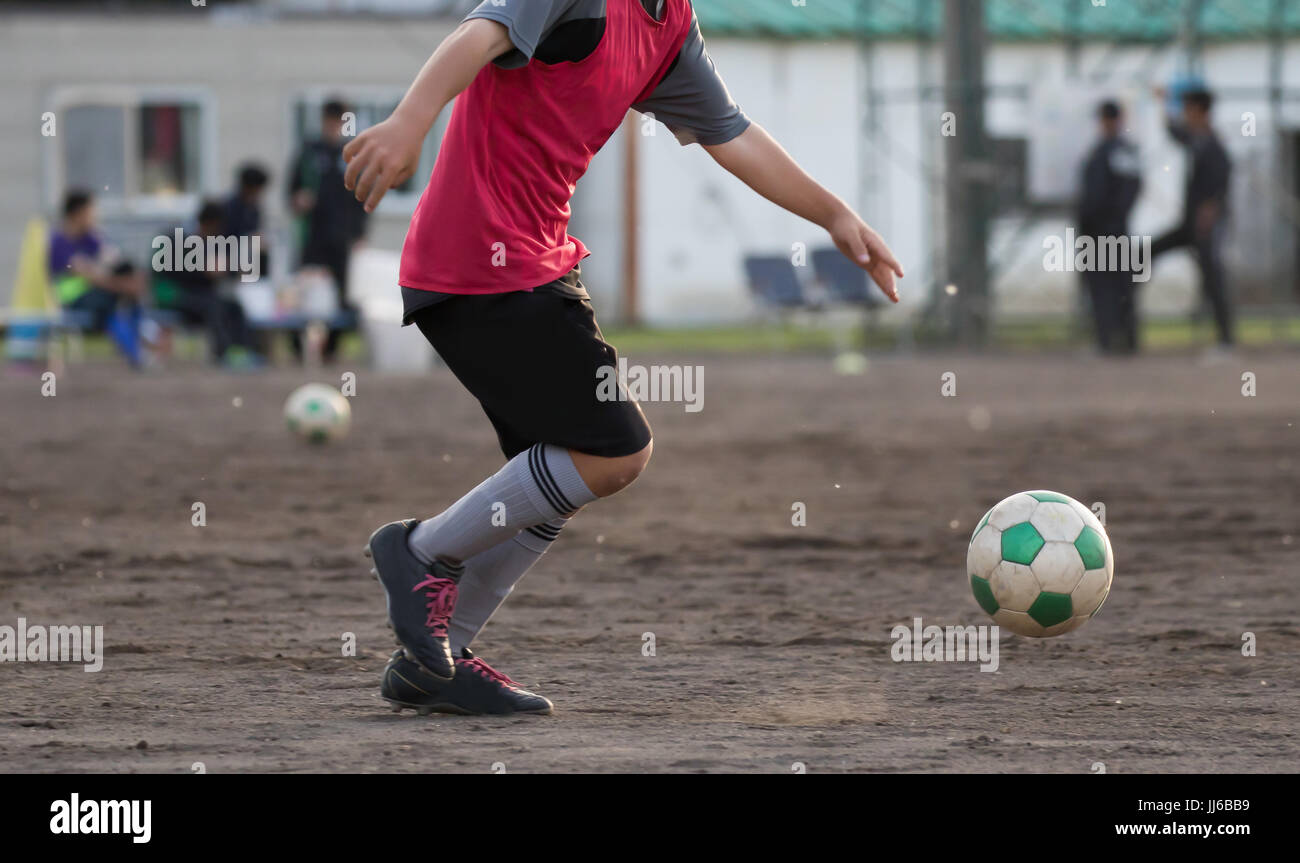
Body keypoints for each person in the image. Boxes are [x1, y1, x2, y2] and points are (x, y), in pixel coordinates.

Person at [346, 0, 903, 715]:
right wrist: (408, 122)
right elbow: (479, 33)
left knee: (565, 470)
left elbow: (730, 134)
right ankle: (419, 551)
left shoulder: (669, 24)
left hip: (535, 265)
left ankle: (437, 656)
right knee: (616, 450)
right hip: (477, 260)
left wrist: (835, 216)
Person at [1152, 87, 1234, 348]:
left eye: (1187, 109)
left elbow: (1222, 180)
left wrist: (1210, 210)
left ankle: (1226, 340)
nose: (1184, 114)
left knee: (1213, 277)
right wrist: (1163, 103)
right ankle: (1122, 327)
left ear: (1199, 110)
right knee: (1145, 254)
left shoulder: (1213, 144)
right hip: (1189, 224)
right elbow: (1173, 131)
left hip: (1206, 225)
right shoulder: (1196, 139)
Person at [288, 100, 368, 362]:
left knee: (345, 297)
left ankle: (331, 351)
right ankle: (299, 352)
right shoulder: (309, 153)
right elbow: (291, 191)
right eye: (332, 121)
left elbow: (364, 196)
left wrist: (359, 235)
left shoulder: (356, 152)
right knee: (304, 292)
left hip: (343, 238)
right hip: (312, 237)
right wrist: (298, 200)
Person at [49, 190, 148, 368]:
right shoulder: (60, 241)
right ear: (78, 213)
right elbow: (89, 276)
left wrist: (131, 279)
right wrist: (124, 286)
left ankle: (141, 347)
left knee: (130, 287)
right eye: (91, 211)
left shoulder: (91, 238)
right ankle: (138, 353)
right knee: (111, 301)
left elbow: (113, 259)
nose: (95, 216)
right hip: (72, 299)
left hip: (97, 293)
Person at [1078, 100, 1142, 354]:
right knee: (1105, 286)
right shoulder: (1105, 149)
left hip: (1110, 229)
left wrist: (1113, 216)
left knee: (1113, 286)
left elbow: (1130, 188)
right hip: (1099, 229)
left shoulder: (1118, 150)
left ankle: (1121, 340)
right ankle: (1111, 339)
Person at [166, 200, 260, 366]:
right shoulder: (177, 240)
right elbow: (177, 275)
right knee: (213, 305)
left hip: (202, 296)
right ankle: (223, 354)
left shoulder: (212, 243)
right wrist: (204, 269)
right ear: (209, 224)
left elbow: (220, 270)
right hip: (176, 295)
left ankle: (243, 351)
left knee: (234, 306)